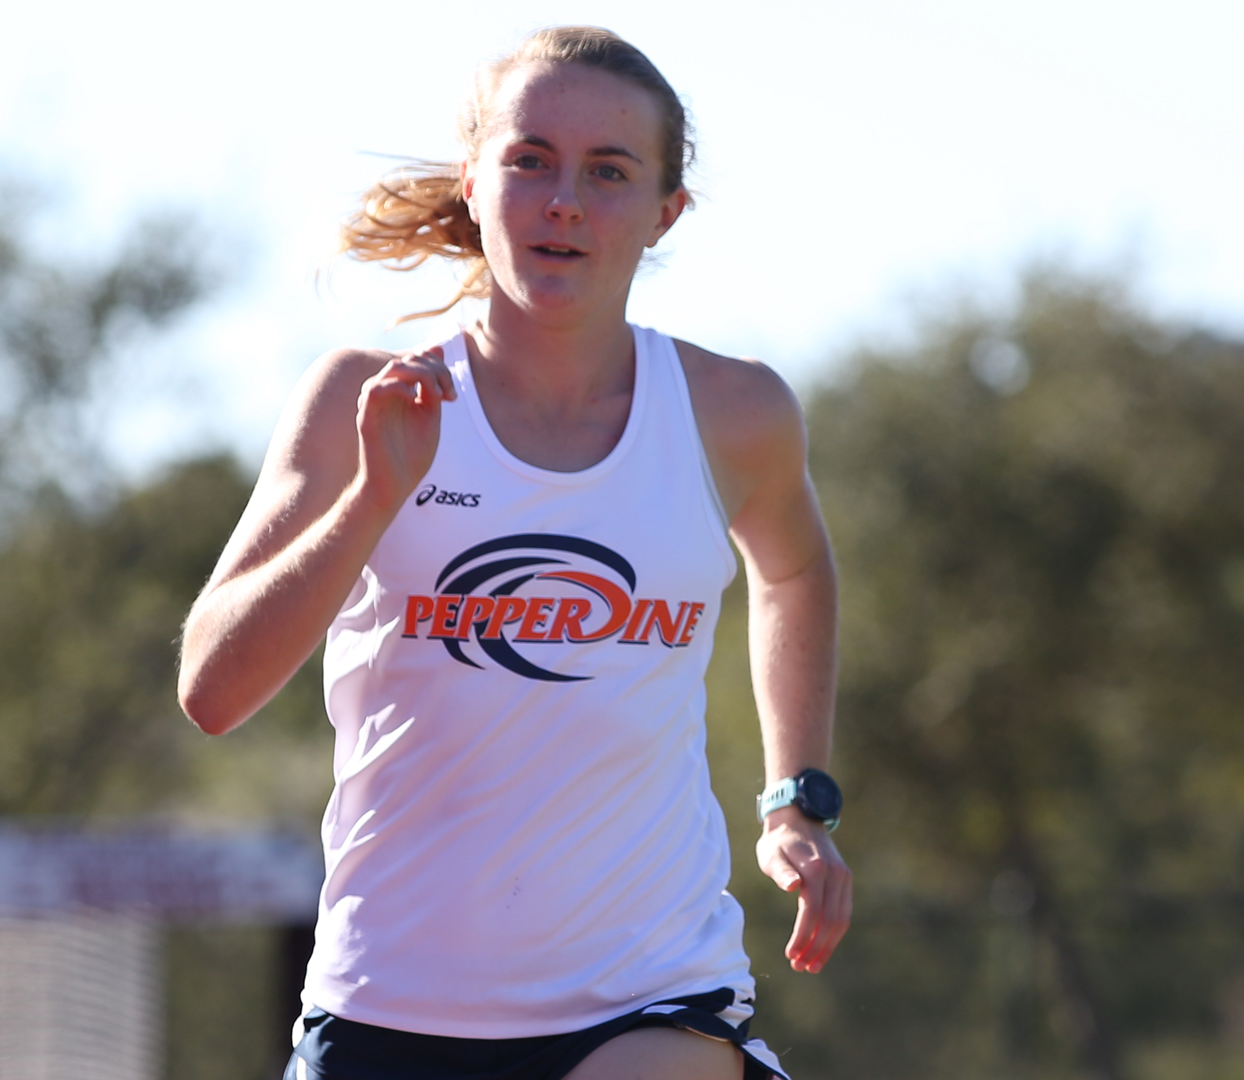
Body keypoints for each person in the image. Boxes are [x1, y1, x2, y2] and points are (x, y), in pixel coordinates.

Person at [178, 26, 850, 1080]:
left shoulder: (735, 413)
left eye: (610, 172)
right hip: (386, 1008)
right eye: (530, 159)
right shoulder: (366, 400)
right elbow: (212, 692)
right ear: (474, 182)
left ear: (664, 214)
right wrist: (372, 496)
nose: (565, 201)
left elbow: (796, 571)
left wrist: (793, 797)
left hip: (649, 993)